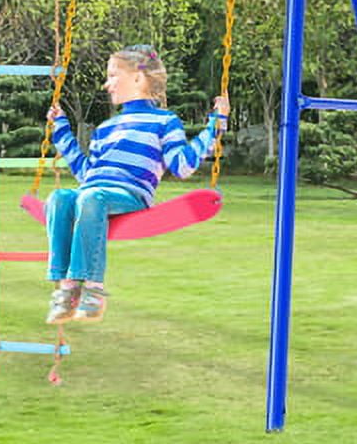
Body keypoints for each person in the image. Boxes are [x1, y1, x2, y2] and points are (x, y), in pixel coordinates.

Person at [44, 44, 229, 324]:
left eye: (113, 75)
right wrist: (62, 131)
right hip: (94, 190)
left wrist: (216, 124)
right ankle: (66, 289)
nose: (107, 84)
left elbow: (182, 165)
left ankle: (92, 290)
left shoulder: (164, 121)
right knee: (58, 198)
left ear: (138, 79)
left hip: (129, 195)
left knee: (90, 199)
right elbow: (86, 174)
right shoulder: (105, 128)